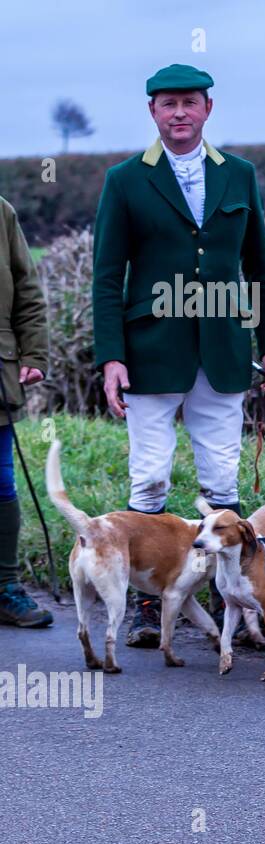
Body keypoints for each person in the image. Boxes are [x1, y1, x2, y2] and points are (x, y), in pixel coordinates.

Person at [91, 64, 265, 647]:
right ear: (153, 112)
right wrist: (111, 357)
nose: (179, 113)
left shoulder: (240, 175)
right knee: (149, 478)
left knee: (220, 479)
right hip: (150, 349)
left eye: (190, 103)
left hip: (223, 349)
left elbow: (262, 270)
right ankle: (150, 605)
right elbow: (107, 277)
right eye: (167, 104)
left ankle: (235, 602)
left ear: (208, 109)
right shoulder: (125, 180)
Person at [0, 196, 53, 628]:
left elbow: (27, 289)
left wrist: (32, 351)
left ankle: (4, 588)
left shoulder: (1, 212)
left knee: (0, 482)